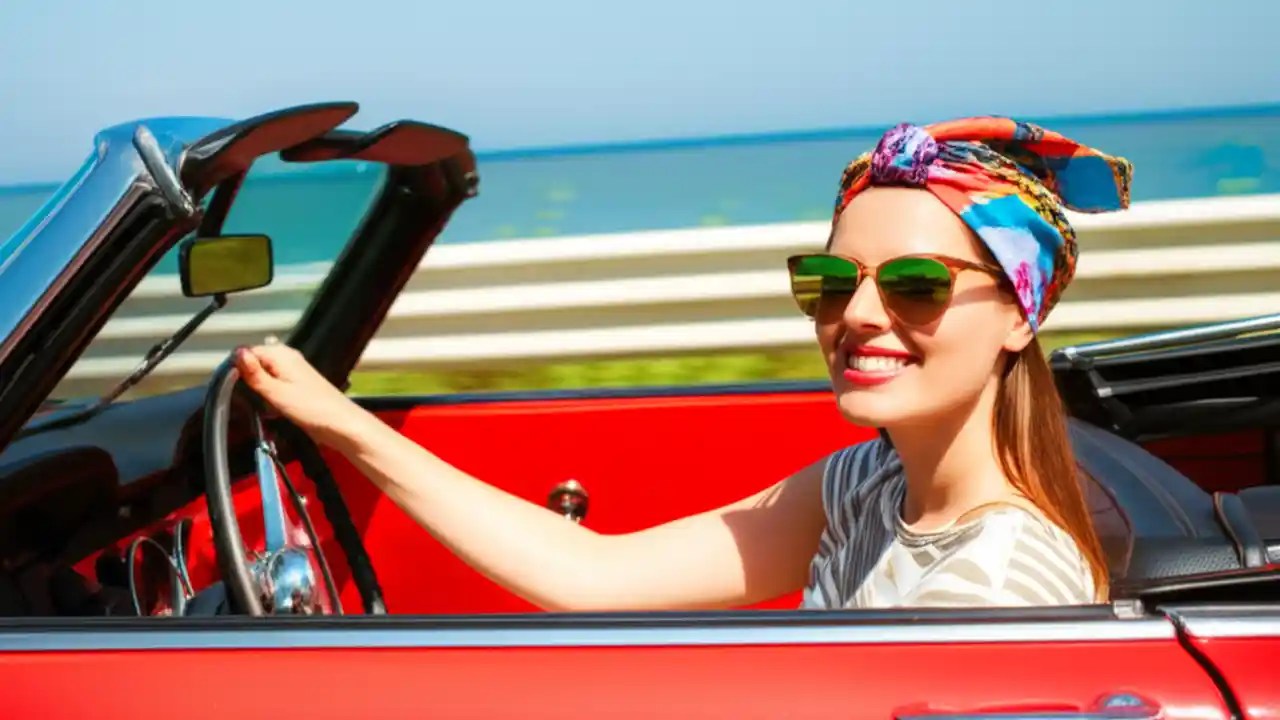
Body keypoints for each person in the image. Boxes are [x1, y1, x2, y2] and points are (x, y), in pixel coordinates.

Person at [234, 116, 1133, 611]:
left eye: (915, 283)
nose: (856, 315)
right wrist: (344, 423)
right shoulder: (876, 481)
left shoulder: (997, 589)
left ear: (1020, 315)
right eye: (830, 278)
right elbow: (599, 576)